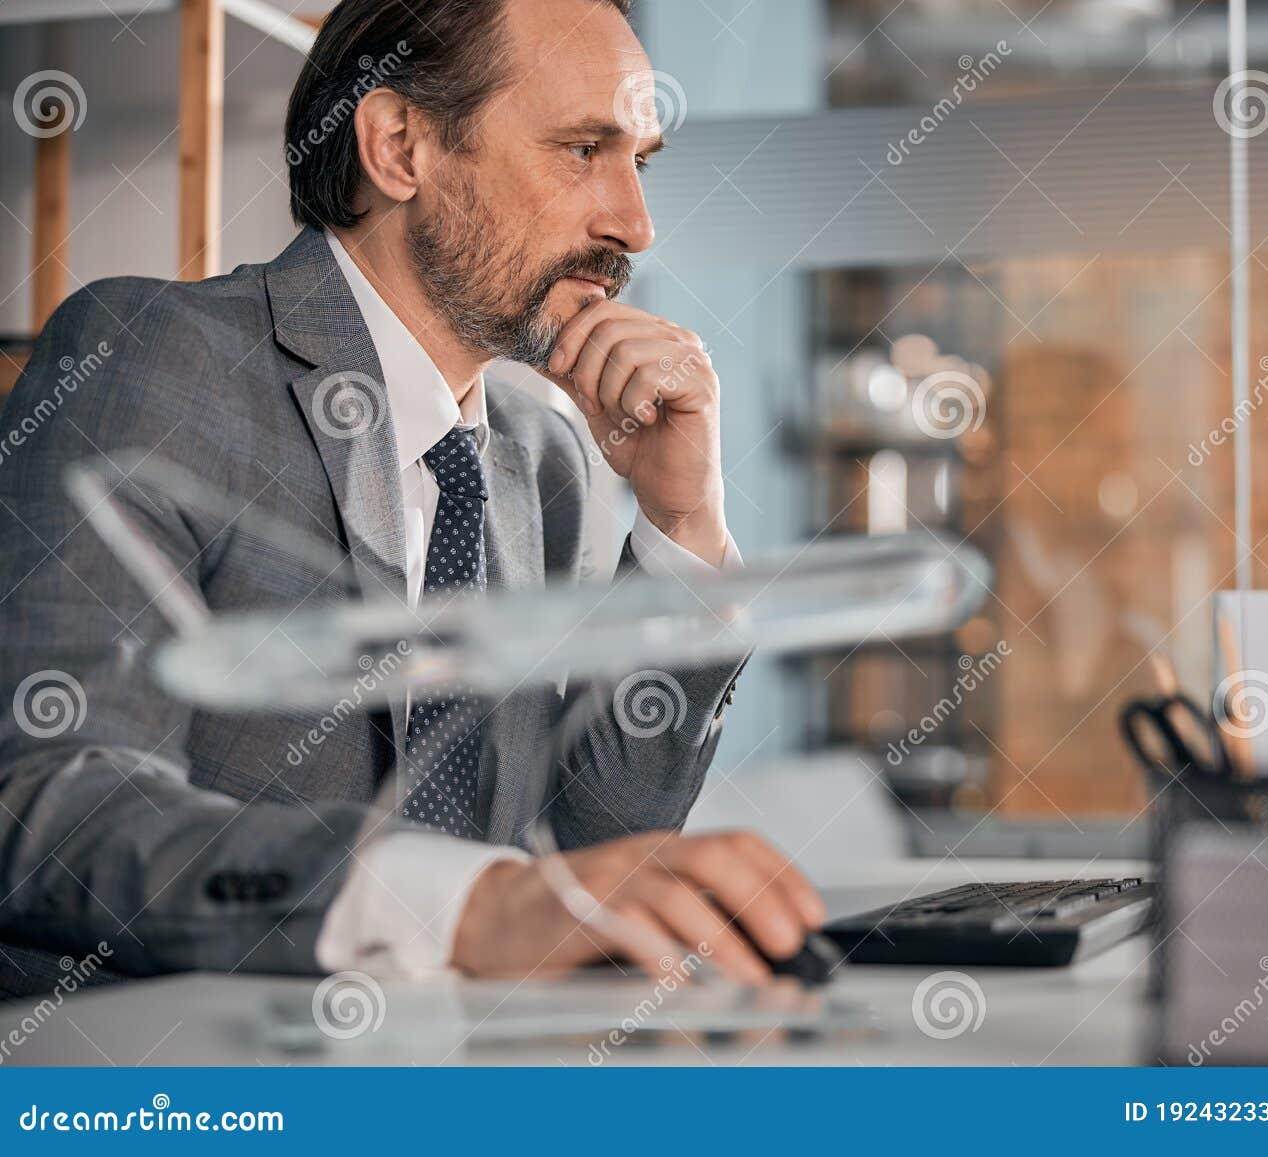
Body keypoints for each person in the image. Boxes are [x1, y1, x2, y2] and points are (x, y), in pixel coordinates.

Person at [0, 0, 823, 998]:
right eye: (580, 150)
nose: (633, 223)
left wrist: (683, 525)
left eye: (637, 162)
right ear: (398, 147)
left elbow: (583, 865)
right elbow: (50, 807)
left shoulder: (545, 462)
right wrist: (464, 907)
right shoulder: (153, 357)